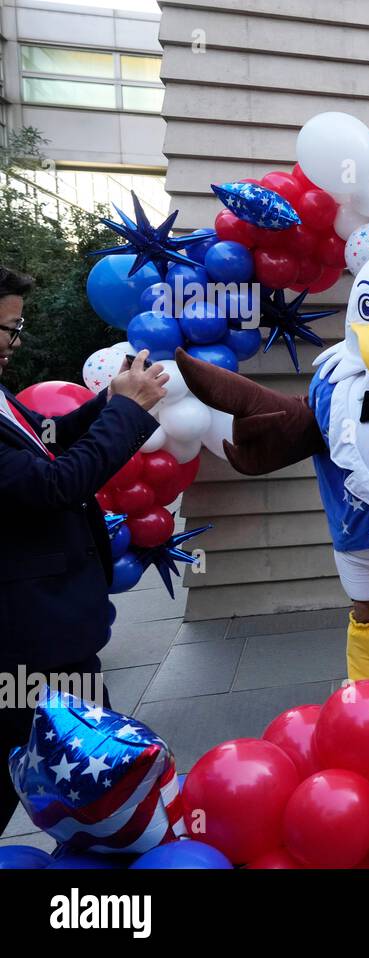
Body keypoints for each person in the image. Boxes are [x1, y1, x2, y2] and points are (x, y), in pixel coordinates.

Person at [0, 266, 168, 832]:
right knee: (101, 772)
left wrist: (109, 402)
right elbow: (53, 485)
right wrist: (128, 413)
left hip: (47, 635)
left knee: (88, 769)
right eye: (7, 328)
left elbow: (42, 440)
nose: (13, 342)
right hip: (27, 642)